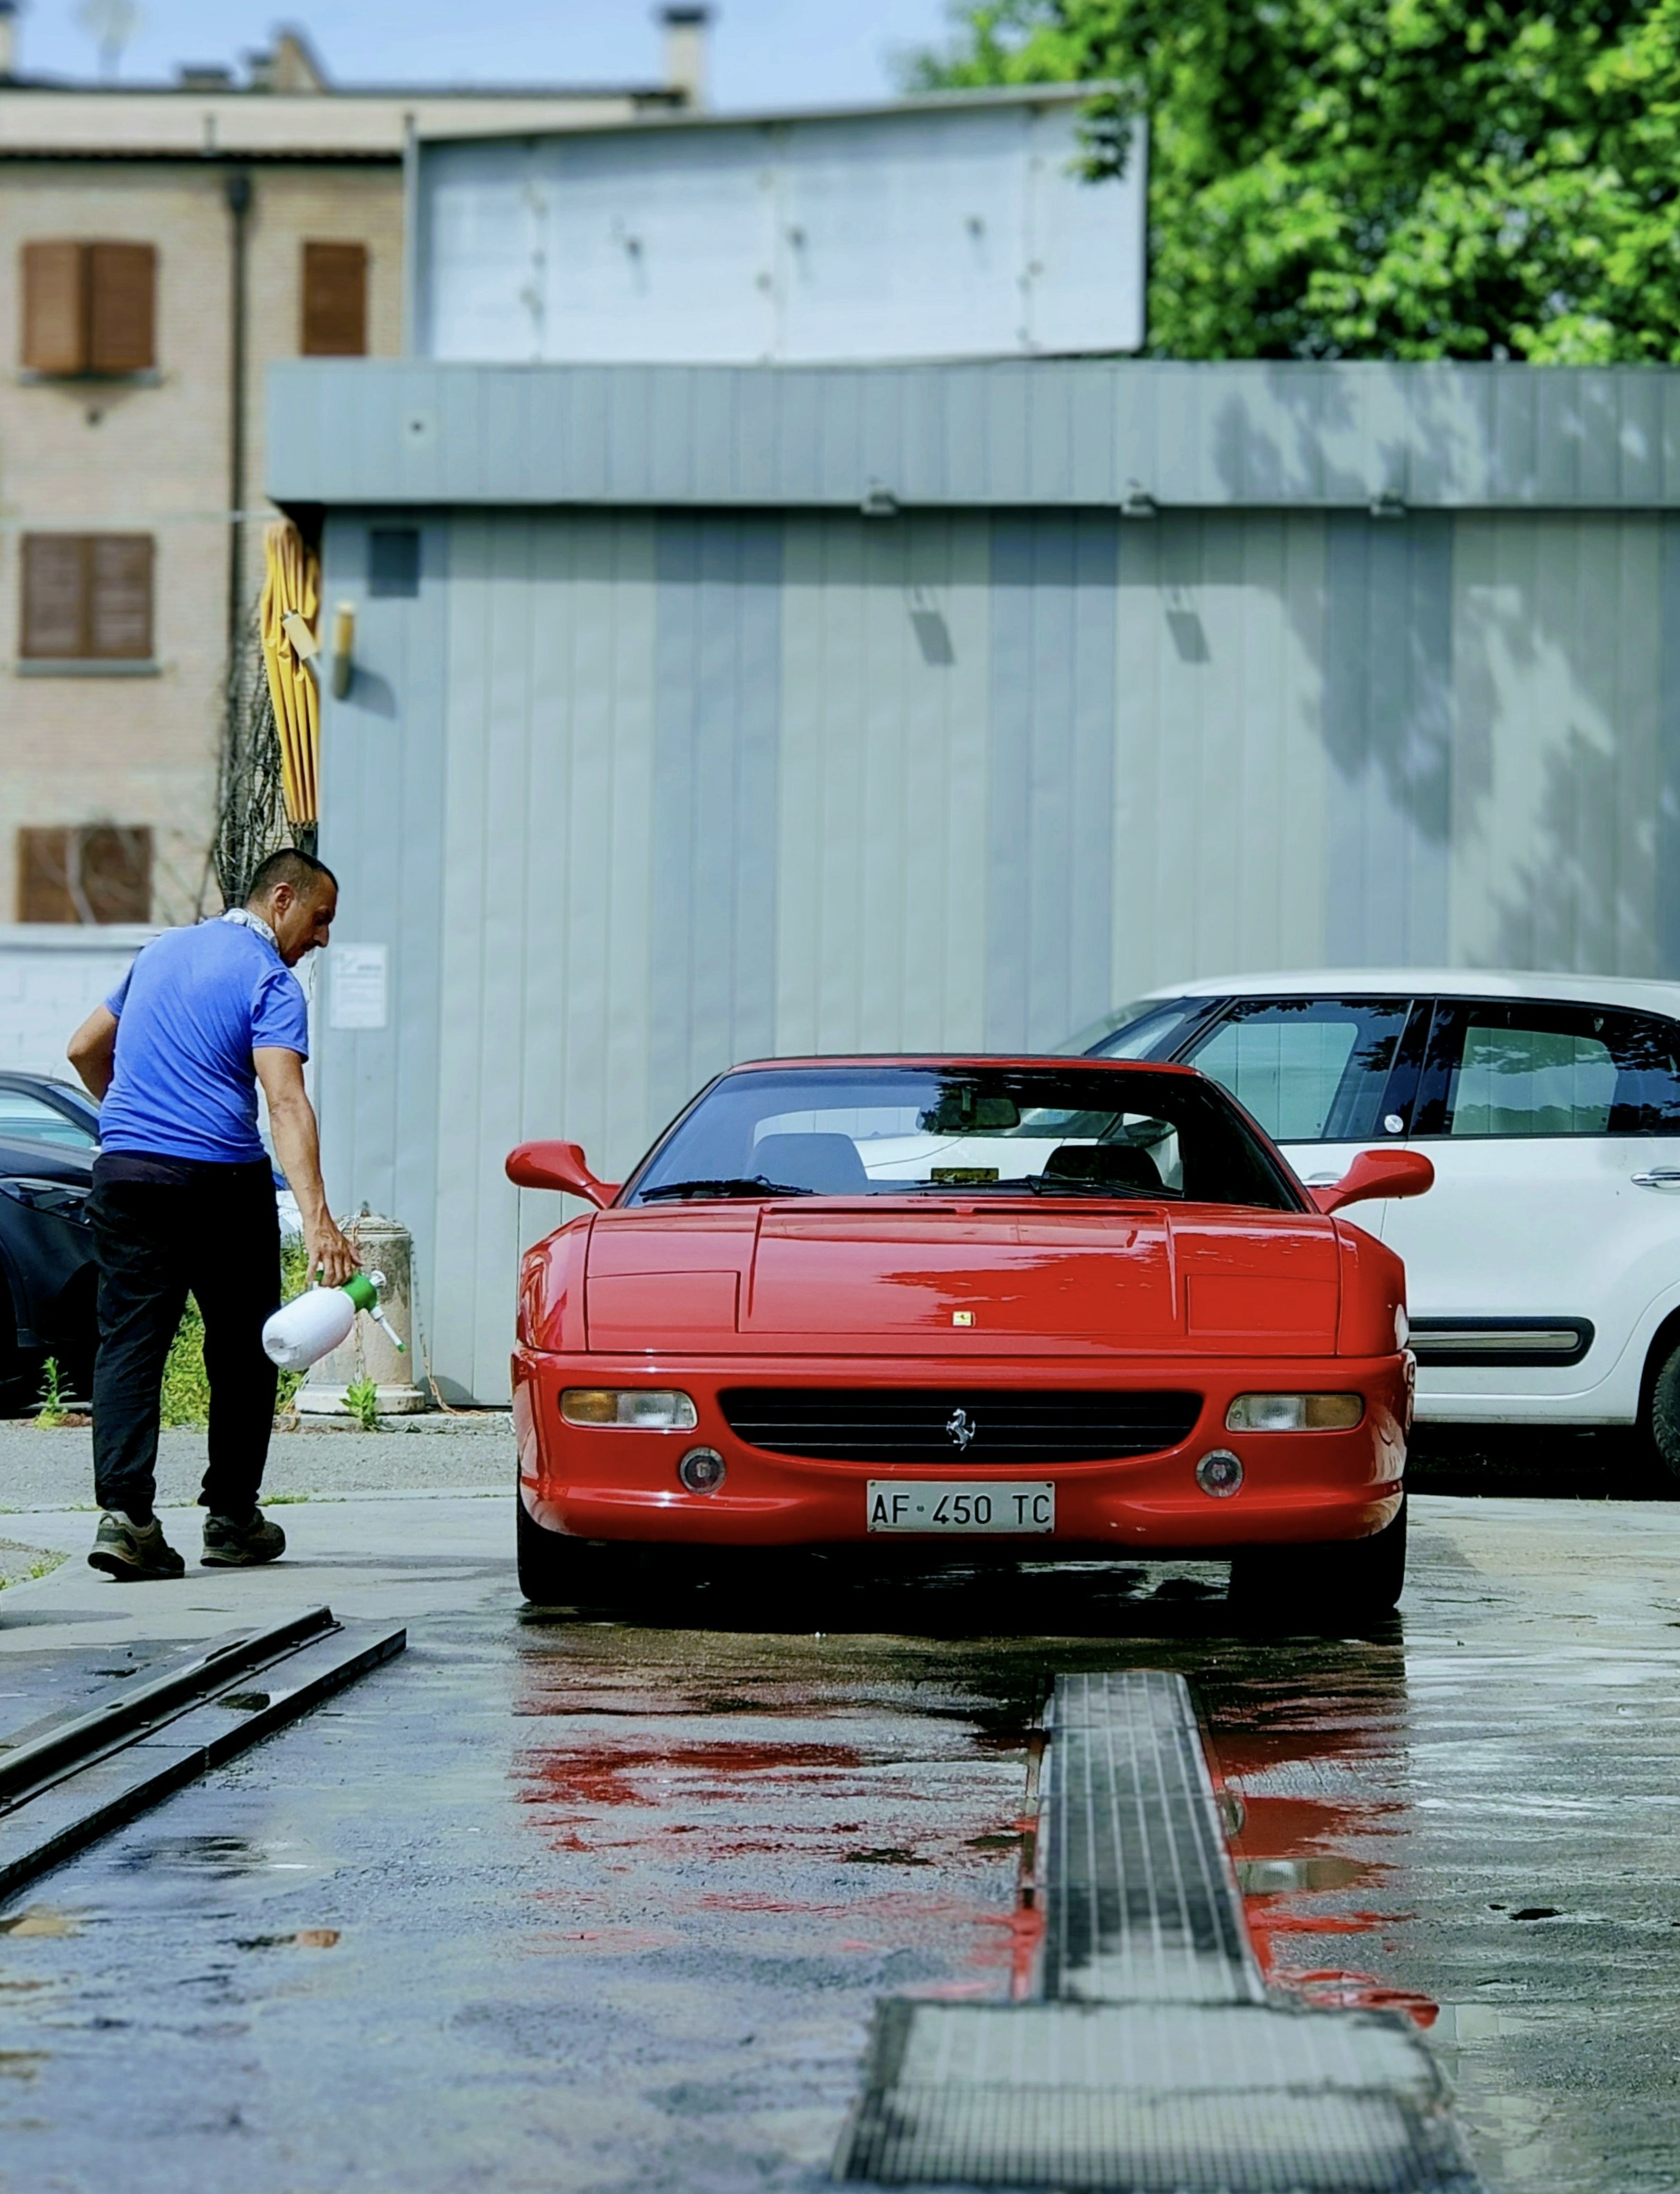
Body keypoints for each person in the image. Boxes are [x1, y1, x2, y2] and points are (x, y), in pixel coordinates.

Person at [65, 848, 358, 1582]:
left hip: (127, 1175)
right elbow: (286, 1102)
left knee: (129, 1345)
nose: (321, 938)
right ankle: (231, 1518)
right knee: (242, 1350)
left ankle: (127, 1519)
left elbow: (82, 1048)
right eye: (319, 920)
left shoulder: (161, 953)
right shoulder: (269, 979)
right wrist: (320, 1219)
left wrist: (135, 1123)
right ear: (282, 899)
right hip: (219, 1181)